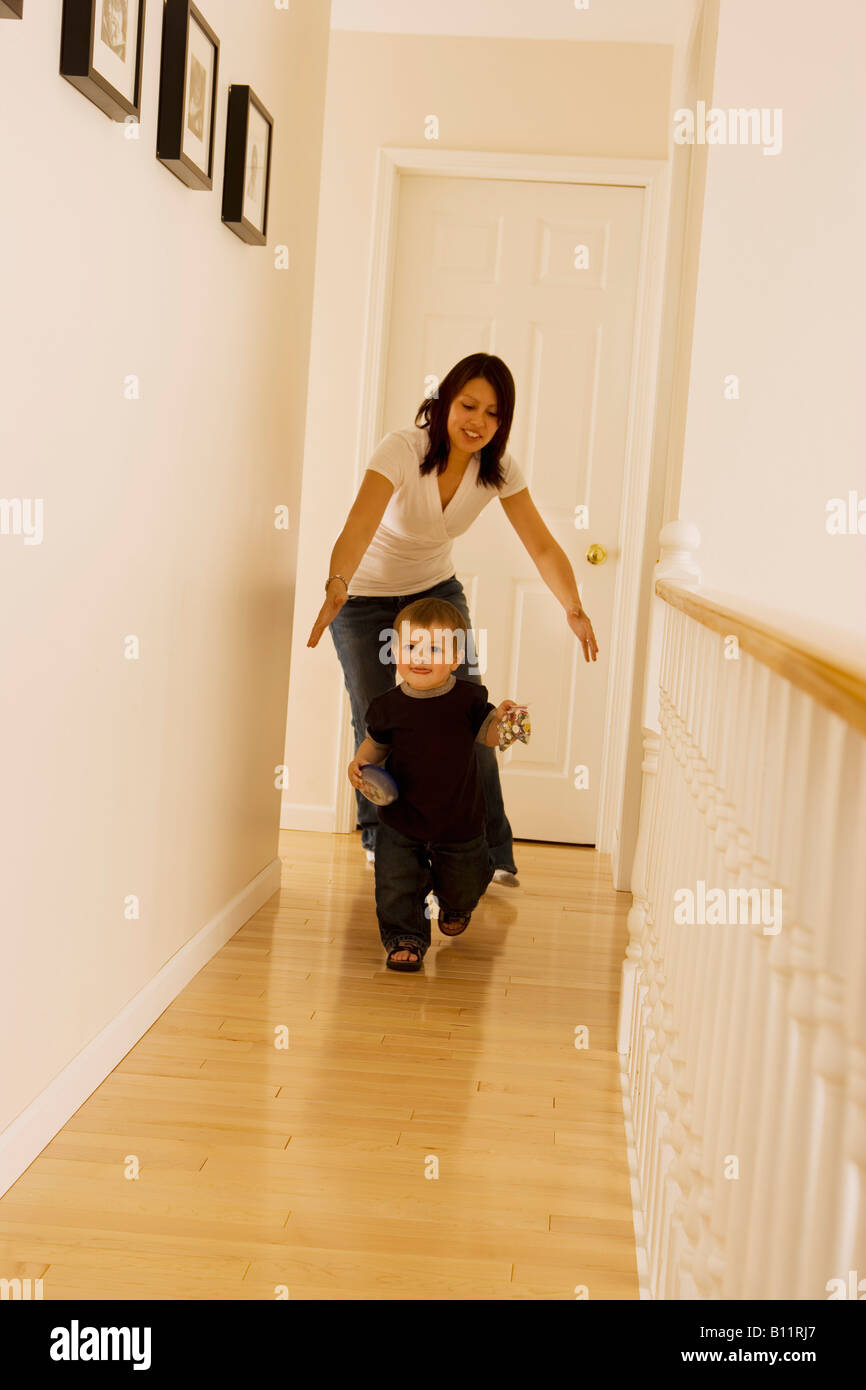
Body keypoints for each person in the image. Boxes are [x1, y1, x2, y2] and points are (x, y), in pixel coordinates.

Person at [306, 352, 599, 879]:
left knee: (470, 714)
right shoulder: (402, 449)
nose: (478, 422)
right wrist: (337, 583)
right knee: (378, 714)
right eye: (468, 405)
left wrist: (573, 606)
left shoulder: (499, 470)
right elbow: (358, 524)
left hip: (433, 591)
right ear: (444, 402)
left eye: (493, 414)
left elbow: (542, 547)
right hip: (363, 594)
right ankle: (381, 840)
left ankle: (491, 849)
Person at [349, 599, 524, 971]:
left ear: (456, 656)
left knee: (462, 882)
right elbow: (375, 745)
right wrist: (360, 765)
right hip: (401, 818)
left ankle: (458, 901)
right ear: (394, 651)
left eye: (434, 648)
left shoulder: (467, 699)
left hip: (458, 821)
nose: (420, 656)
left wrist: (507, 722)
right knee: (396, 884)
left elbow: (491, 736)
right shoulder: (387, 707)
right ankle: (405, 936)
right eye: (410, 646)